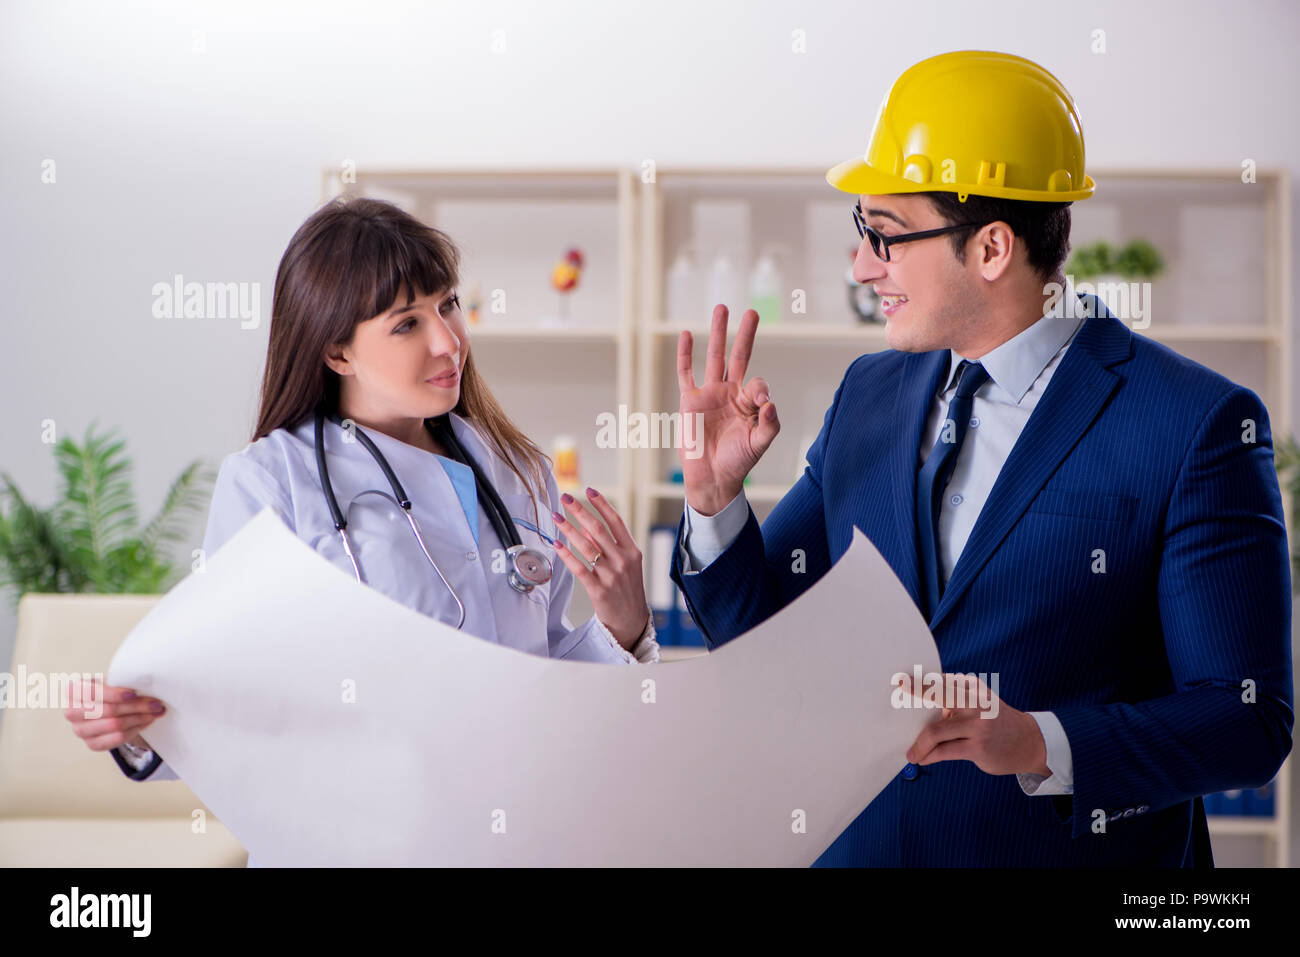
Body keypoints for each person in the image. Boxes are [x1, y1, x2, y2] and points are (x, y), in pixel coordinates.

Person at [670, 50, 1293, 866]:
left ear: (993, 247)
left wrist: (1041, 742)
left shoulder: (1195, 424)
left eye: (884, 237)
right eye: (863, 233)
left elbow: (1246, 720)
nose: (861, 268)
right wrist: (717, 504)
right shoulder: (870, 393)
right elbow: (765, 639)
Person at [65, 197, 659, 865]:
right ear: (336, 350)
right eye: (407, 322)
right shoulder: (274, 482)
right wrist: (135, 728)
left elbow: (546, 693)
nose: (448, 340)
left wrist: (623, 627)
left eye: (448, 304)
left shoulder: (519, 474)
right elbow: (226, 692)